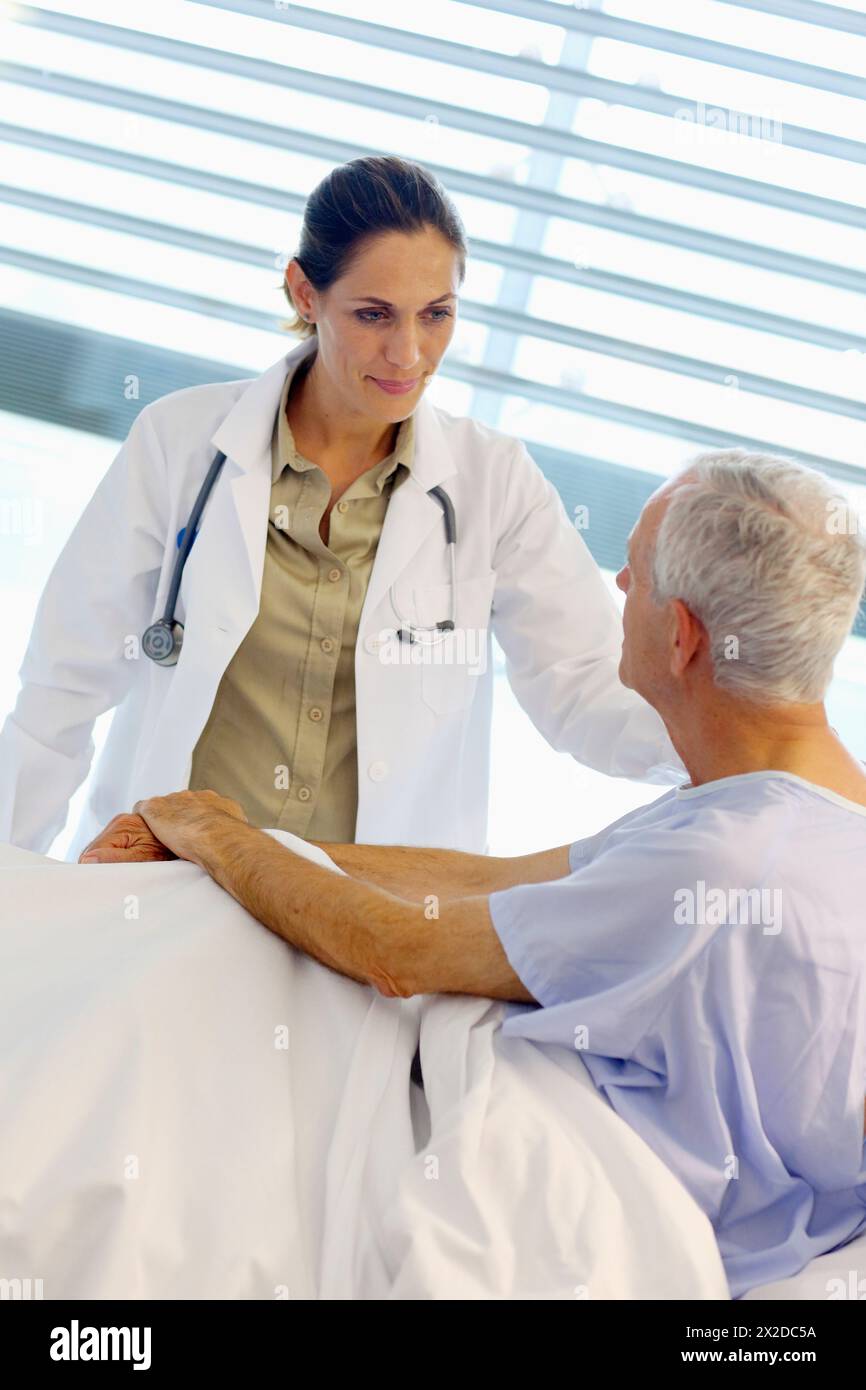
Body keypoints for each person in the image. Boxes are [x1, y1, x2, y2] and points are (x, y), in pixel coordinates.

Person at [84, 449, 866, 1299]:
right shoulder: (794, 812)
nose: (613, 584)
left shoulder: (732, 864)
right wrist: (236, 836)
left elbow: (400, 950)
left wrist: (214, 837)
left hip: (570, 1192)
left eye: (633, 575)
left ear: (681, 637)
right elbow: (500, 882)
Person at [0, 154, 680, 864]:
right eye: (373, 315)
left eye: (436, 315)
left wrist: (741, 746)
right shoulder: (181, 443)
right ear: (304, 293)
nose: (408, 353)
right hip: (169, 892)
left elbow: (587, 691)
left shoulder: (494, 483)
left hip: (366, 929)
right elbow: (62, 688)